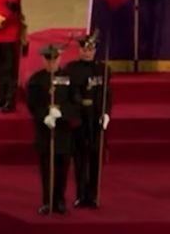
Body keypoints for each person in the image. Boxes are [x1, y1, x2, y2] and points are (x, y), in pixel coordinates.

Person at [26, 45, 80, 215]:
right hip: (45, 131)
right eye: (48, 59)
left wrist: (62, 113)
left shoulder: (68, 79)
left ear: (59, 59)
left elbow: (76, 102)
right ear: (43, 60)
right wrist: (45, 116)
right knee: (47, 170)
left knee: (62, 169)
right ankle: (47, 201)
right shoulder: (35, 80)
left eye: (54, 59)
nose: (51, 63)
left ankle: (60, 201)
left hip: (63, 131)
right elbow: (32, 105)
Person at [67, 33, 112, 208]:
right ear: (79, 50)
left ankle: (93, 195)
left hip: (96, 118)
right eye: (84, 49)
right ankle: (81, 194)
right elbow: (69, 94)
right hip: (80, 119)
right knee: (80, 159)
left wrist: (106, 113)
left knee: (95, 158)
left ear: (95, 51)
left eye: (90, 50)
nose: (87, 53)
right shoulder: (70, 69)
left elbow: (107, 93)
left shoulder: (103, 69)